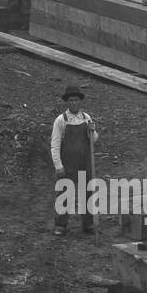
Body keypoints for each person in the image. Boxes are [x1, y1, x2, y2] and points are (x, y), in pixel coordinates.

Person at [51, 86, 100, 237]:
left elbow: (94, 139)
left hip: (85, 161)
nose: (74, 103)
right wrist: (58, 165)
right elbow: (55, 144)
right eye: (71, 100)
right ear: (67, 102)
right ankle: (61, 225)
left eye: (76, 100)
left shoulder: (86, 118)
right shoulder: (61, 120)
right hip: (68, 162)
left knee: (88, 191)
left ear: (80, 101)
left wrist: (92, 132)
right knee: (65, 192)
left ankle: (88, 224)